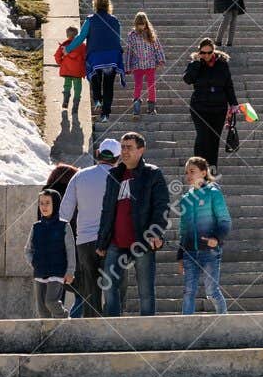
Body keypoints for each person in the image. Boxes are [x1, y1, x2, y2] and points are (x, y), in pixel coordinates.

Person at [95, 132, 170, 317]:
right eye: (123, 147)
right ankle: (112, 326)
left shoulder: (152, 174)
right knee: (109, 286)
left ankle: (147, 332)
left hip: (142, 242)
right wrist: (102, 241)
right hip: (115, 242)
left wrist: (156, 233)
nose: (125, 151)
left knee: (145, 292)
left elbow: (161, 207)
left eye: (129, 147)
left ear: (141, 150)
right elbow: (107, 210)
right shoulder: (114, 174)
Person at [59, 138, 120, 317]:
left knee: (89, 290)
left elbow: (64, 214)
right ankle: (113, 326)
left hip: (84, 241)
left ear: (97, 154)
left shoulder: (80, 176)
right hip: (113, 241)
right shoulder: (122, 178)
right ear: (118, 158)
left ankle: (92, 330)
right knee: (113, 287)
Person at [178, 156, 231, 315]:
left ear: (203, 172)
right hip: (189, 253)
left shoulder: (214, 193)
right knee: (188, 292)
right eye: (186, 172)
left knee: (212, 291)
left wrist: (216, 238)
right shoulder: (185, 199)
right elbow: (183, 229)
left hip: (210, 252)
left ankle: (224, 322)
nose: (188, 175)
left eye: (192, 171)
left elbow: (225, 220)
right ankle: (186, 328)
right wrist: (180, 255)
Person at [184, 36, 238, 169]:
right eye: (203, 53)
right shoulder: (195, 63)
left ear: (213, 51)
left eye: (209, 52)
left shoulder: (222, 64)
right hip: (199, 107)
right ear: (199, 52)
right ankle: (197, 167)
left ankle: (212, 169)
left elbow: (228, 85)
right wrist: (197, 63)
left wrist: (234, 104)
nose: (206, 55)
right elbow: (188, 79)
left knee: (214, 140)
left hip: (218, 108)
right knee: (202, 137)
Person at [25, 188, 76, 318]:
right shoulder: (36, 227)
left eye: (48, 203)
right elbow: (28, 249)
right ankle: (47, 337)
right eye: (41, 203)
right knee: (42, 311)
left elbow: (70, 250)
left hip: (58, 272)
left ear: (55, 204)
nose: (44, 206)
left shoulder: (64, 226)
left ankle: (65, 317)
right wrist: (34, 262)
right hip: (40, 272)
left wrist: (70, 271)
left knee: (51, 302)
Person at [123, 12, 166, 115]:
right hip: (137, 65)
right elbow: (129, 52)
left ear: (146, 23)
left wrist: (160, 59)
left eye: (143, 24)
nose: (141, 26)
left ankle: (151, 107)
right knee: (138, 85)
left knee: (151, 86)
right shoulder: (132, 36)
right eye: (139, 24)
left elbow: (157, 48)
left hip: (150, 64)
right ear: (136, 24)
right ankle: (136, 106)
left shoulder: (150, 34)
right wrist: (127, 66)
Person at [54, 24, 87, 113]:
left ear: (67, 35)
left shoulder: (65, 44)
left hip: (67, 70)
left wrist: (61, 63)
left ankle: (65, 100)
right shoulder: (82, 46)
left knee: (67, 85)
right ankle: (76, 105)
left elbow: (57, 55)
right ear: (77, 35)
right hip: (78, 71)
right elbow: (86, 57)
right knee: (78, 88)